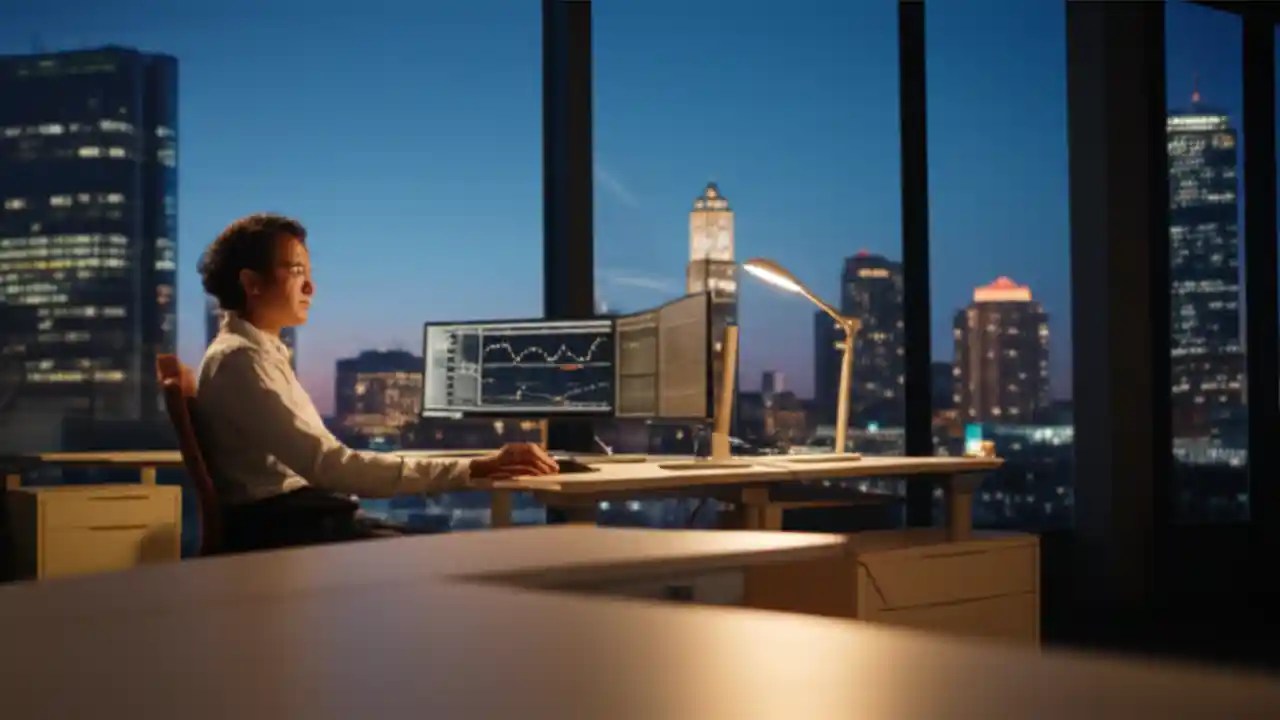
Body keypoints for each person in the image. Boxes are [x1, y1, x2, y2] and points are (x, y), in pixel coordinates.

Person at [195, 213, 558, 551]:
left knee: (450, 551)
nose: (311, 287)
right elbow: (333, 467)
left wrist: (473, 465)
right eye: (296, 270)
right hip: (285, 530)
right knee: (460, 558)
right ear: (252, 283)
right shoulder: (241, 361)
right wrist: (475, 468)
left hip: (299, 520)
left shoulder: (257, 353)